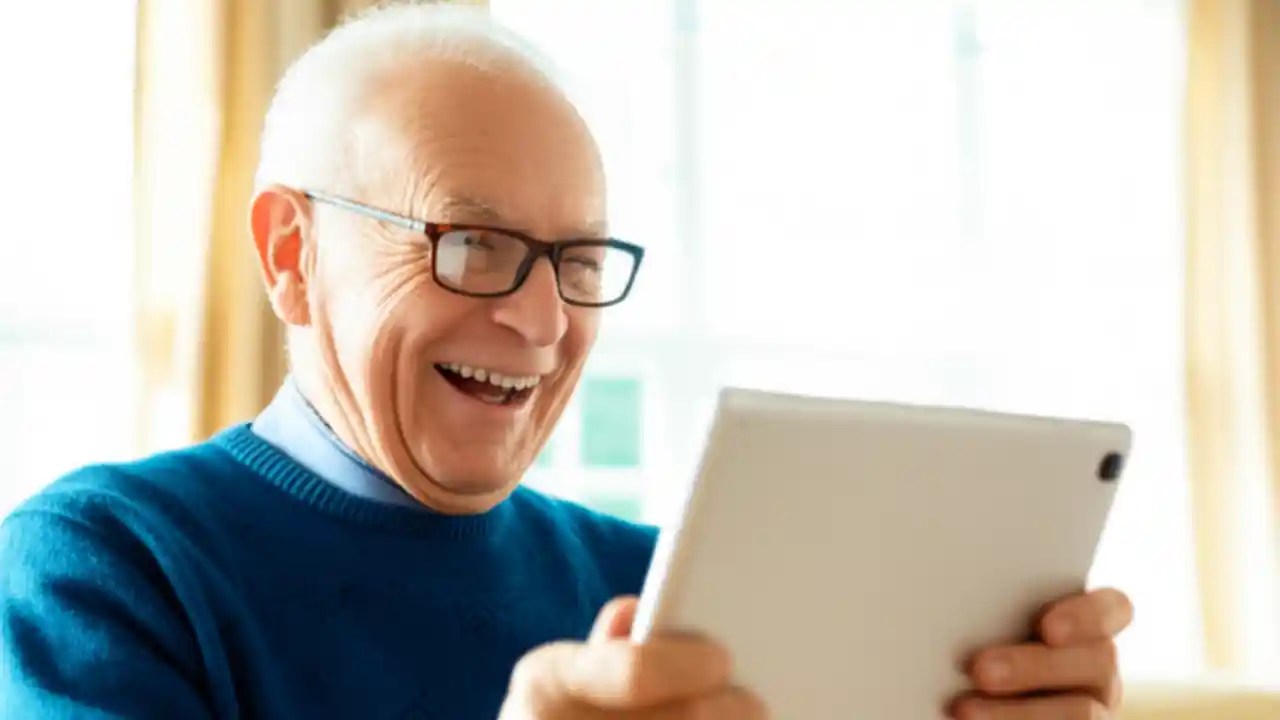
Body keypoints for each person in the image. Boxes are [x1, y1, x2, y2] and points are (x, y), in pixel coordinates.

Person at [0, 4, 1132, 719]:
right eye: (474, 245)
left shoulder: (667, 596)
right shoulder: (101, 566)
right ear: (292, 255)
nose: (543, 325)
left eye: (578, 260)